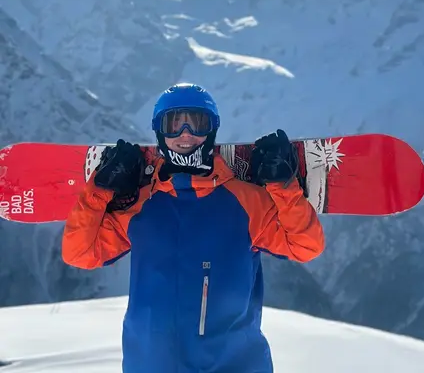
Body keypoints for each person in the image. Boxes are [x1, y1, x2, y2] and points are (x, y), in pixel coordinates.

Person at [62, 82, 325, 373]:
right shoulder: (142, 206)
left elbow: (306, 245)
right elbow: (79, 252)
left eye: (197, 123)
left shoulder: (247, 203)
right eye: (174, 124)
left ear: (212, 130)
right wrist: (101, 189)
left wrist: (282, 186)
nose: (185, 134)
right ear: (159, 131)